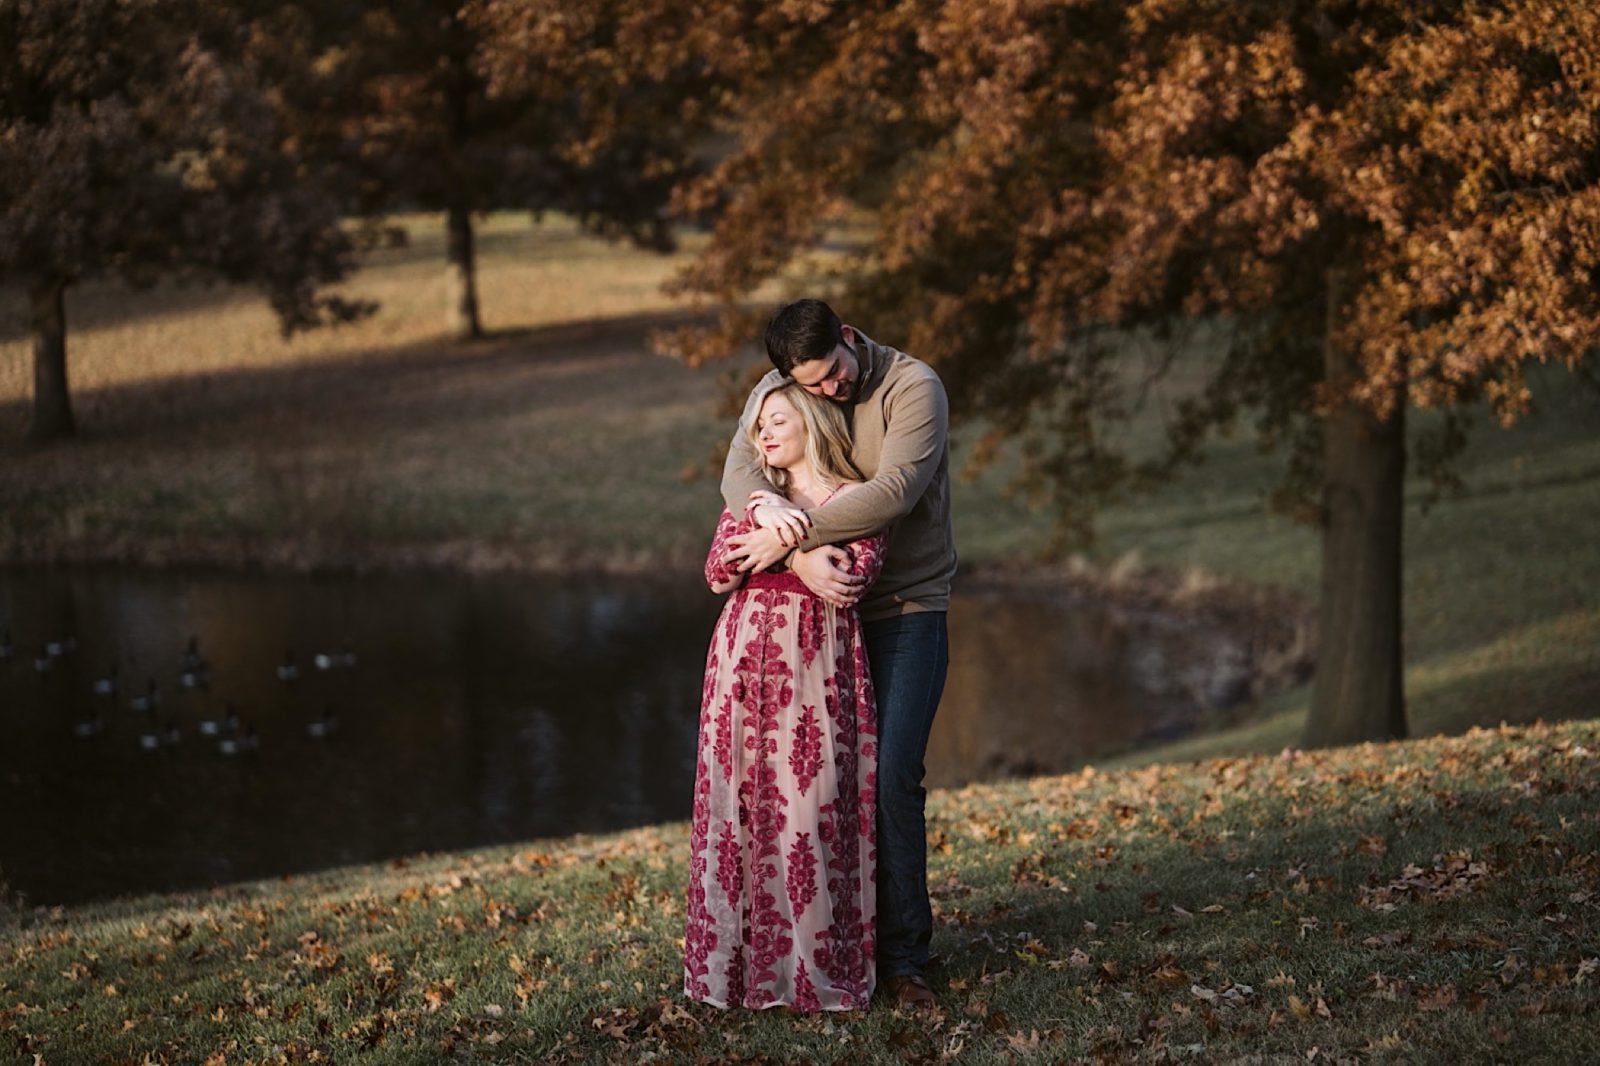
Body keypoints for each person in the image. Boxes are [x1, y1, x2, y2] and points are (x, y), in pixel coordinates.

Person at [720, 299, 955, 1010]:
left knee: (891, 777)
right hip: (818, 622)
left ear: (850, 339)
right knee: (827, 789)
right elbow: (738, 475)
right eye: (811, 385)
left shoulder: (914, 387)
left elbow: (894, 493)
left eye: (832, 375)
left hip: (904, 608)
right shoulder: (781, 384)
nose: (826, 392)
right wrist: (777, 527)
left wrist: (790, 540)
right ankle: (839, 950)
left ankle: (905, 958)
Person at [683, 382, 887, 1011]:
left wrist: (776, 548)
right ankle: (740, 979)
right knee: (739, 812)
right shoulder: (754, 499)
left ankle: (817, 977)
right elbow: (720, 571)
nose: (764, 435)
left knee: (812, 812)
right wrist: (795, 549)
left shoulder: (857, 500)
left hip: (818, 669)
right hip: (741, 669)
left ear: (813, 423)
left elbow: (851, 578)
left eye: (777, 421)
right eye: (759, 425)